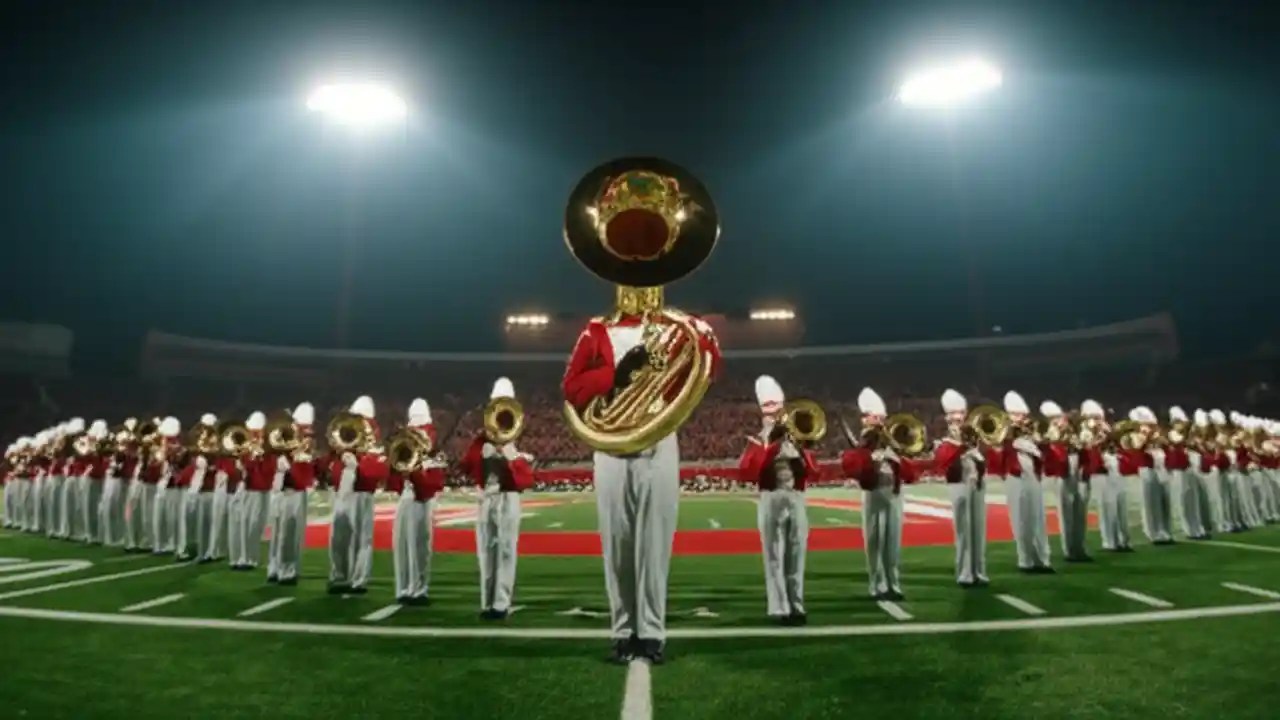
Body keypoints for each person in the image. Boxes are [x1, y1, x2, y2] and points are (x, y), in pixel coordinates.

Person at [562, 292, 722, 664]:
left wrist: (703, 338)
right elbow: (572, 387)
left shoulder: (675, 329)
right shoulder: (595, 330)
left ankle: (651, 631)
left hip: (659, 440)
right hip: (610, 442)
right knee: (617, 545)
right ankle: (622, 631)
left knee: (655, 543)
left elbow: (711, 369)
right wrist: (616, 374)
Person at [737, 375, 818, 624]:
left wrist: (802, 450)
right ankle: (779, 607)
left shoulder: (797, 441)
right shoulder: (756, 441)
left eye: (777, 411)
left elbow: (815, 473)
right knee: (773, 554)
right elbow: (747, 473)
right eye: (769, 412)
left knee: (796, 553)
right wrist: (771, 444)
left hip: (796, 497)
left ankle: (797, 605)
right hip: (771, 498)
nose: (774, 417)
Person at [461, 379, 535, 619]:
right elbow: (464, 467)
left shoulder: (514, 447)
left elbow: (524, 481)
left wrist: (510, 457)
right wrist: (480, 453)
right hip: (486, 498)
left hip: (507, 499)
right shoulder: (480, 442)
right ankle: (487, 602)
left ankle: (501, 604)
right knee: (485, 550)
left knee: (505, 550)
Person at [841, 387, 920, 599]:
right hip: (873, 493)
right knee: (874, 540)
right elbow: (852, 467)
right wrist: (868, 451)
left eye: (881, 418)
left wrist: (896, 453)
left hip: (893, 494)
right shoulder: (862, 445)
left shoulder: (893, 444)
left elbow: (911, 475)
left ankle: (893, 583)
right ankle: (877, 585)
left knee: (892, 541)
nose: (880, 422)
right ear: (865, 419)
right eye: (875, 418)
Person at [327, 395, 388, 595]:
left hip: (362, 493)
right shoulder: (343, 433)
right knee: (338, 536)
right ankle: (339, 575)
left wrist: (359, 465)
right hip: (342, 490)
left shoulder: (374, 438)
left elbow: (379, 469)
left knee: (361, 538)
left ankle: (359, 579)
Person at [390, 398, 447, 605]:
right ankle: (403, 588)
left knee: (420, 546)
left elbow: (434, 481)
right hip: (406, 496)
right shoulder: (405, 444)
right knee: (402, 543)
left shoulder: (434, 450)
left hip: (422, 499)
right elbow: (393, 475)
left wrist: (417, 471)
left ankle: (419, 589)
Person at [931, 389, 990, 585]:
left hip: (977, 486)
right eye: (954, 418)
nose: (958, 420)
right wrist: (962, 446)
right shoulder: (945, 443)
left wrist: (975, 446)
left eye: (961, 416)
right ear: (947, 419)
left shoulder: (975, 439)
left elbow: (986, 461)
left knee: (978, 530)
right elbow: (945, 464)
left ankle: (979, 571)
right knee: (964, 530)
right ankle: (965, 573)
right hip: (959, 486)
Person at [1001, 391, 1053, 572]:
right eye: (1015, 415)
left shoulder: (1033, 433)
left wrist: (1040, 441)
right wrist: (1009, 436)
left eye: (1022, 415)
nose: (1020, 419)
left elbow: (1046, 455)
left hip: (1033, 476)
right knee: (1020, 518)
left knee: (1038, 517)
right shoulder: (1003, 433)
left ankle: (1043, 559)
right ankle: (1025, 560)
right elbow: (996, 457)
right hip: (1015, 478)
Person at [271, 402, 317, 586]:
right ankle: (283, 570)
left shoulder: (305, 442)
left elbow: (305, 466)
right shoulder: (286, 437)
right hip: (286, 491)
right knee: (285, 533)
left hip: (295, 490)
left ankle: (283, 568)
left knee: (290, 534)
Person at [1040, 401, 1087, 561]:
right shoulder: (1049, 434)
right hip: (1062, 474)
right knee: (1066, 511)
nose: (1061, 421)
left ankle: (1079, 547)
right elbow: (1050, 456)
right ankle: (1069, 550)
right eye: (1056, 418)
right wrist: (1057, 440)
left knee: (1079, 512)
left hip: (1076, 469)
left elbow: (1082, 450)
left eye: (1060, 418)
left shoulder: (1073, 432)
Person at [1158, 406, 1207, 540]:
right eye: (1179, 422)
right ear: (1174, 423)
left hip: (1187, 469)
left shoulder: (1184, 436)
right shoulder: (1171, 434)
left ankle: (1196, 528)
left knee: (1192, 501)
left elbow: (1195, 446)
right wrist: (1190, 432)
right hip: (1176, 472)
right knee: (1182, 501)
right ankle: (1186, 530)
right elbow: (1177, 441)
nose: (1182, 425)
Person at [231, 411, 268, 569]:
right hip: (246, 489)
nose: (253, 435)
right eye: (252, 431)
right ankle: (241, 558)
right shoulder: (246, 448)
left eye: (256, 432)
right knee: (243, 524)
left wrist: (257, 455)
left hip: (260, 490)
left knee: (255, 526)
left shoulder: (266, 447)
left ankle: (251, 558)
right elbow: (240, 468)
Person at [101, 418, 137, 548]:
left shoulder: (133, 444)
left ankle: (124, 536)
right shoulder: (117, 448)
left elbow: (131, 456)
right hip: (115, 480)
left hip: (126, 479)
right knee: (113, 508)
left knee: (126, 510)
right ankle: (112, 536)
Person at [151, 417, 183, 556]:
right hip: (161, 484)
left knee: (172, 517)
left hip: (172, 486)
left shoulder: (178, 449)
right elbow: (156, 463)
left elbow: (177, 465)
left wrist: (167, 451)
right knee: (158, 516)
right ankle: (159, 543)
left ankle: (173, 543)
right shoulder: (161, 446)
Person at [81, 420, 110, 544]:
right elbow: (84, 456)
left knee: (102, 507)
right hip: (92, 476)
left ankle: (101, 534)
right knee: (89, 507)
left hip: (103, 476)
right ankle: (90, 534)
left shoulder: (105, 442)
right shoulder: (88, 442)